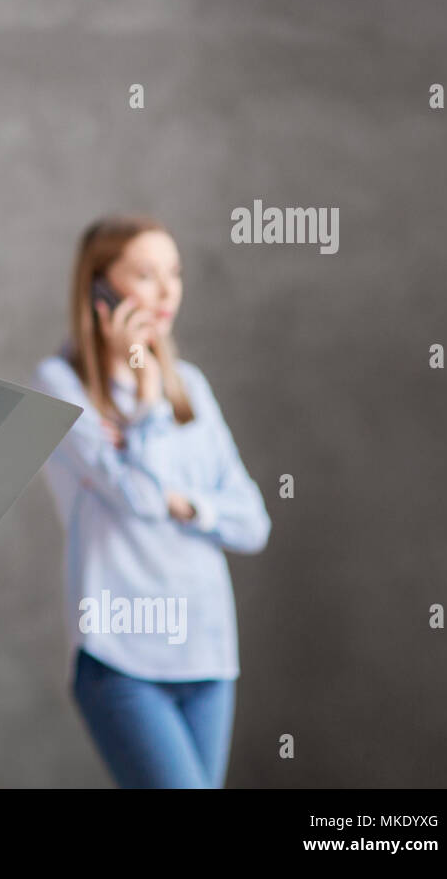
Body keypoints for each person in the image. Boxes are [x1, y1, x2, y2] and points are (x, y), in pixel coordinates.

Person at [31, 215, 271, 788]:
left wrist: (187, 505)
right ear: (100, 289)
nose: (167, 292)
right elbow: (140, 498)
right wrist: (142, 393)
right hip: (121, 657)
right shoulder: (60, 384)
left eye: (175, 273)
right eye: (146, 273)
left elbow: (252, 523)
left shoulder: (190, 386)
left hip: (208, 653)